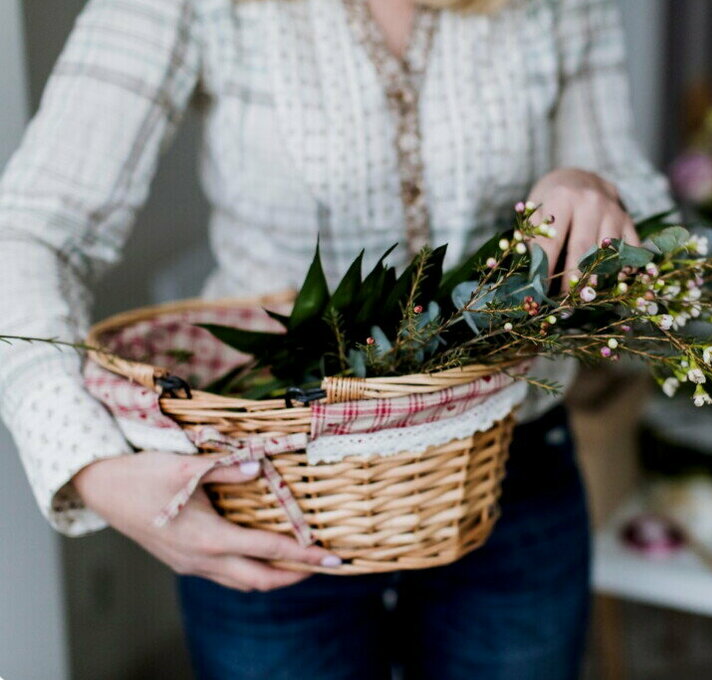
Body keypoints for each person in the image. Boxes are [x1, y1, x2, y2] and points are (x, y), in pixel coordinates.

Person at [0, 0, 671, 677]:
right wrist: (90, 468)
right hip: (267, 493)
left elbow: (635, 209)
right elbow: (29, 231)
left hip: (505, 471)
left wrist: (590, 190)